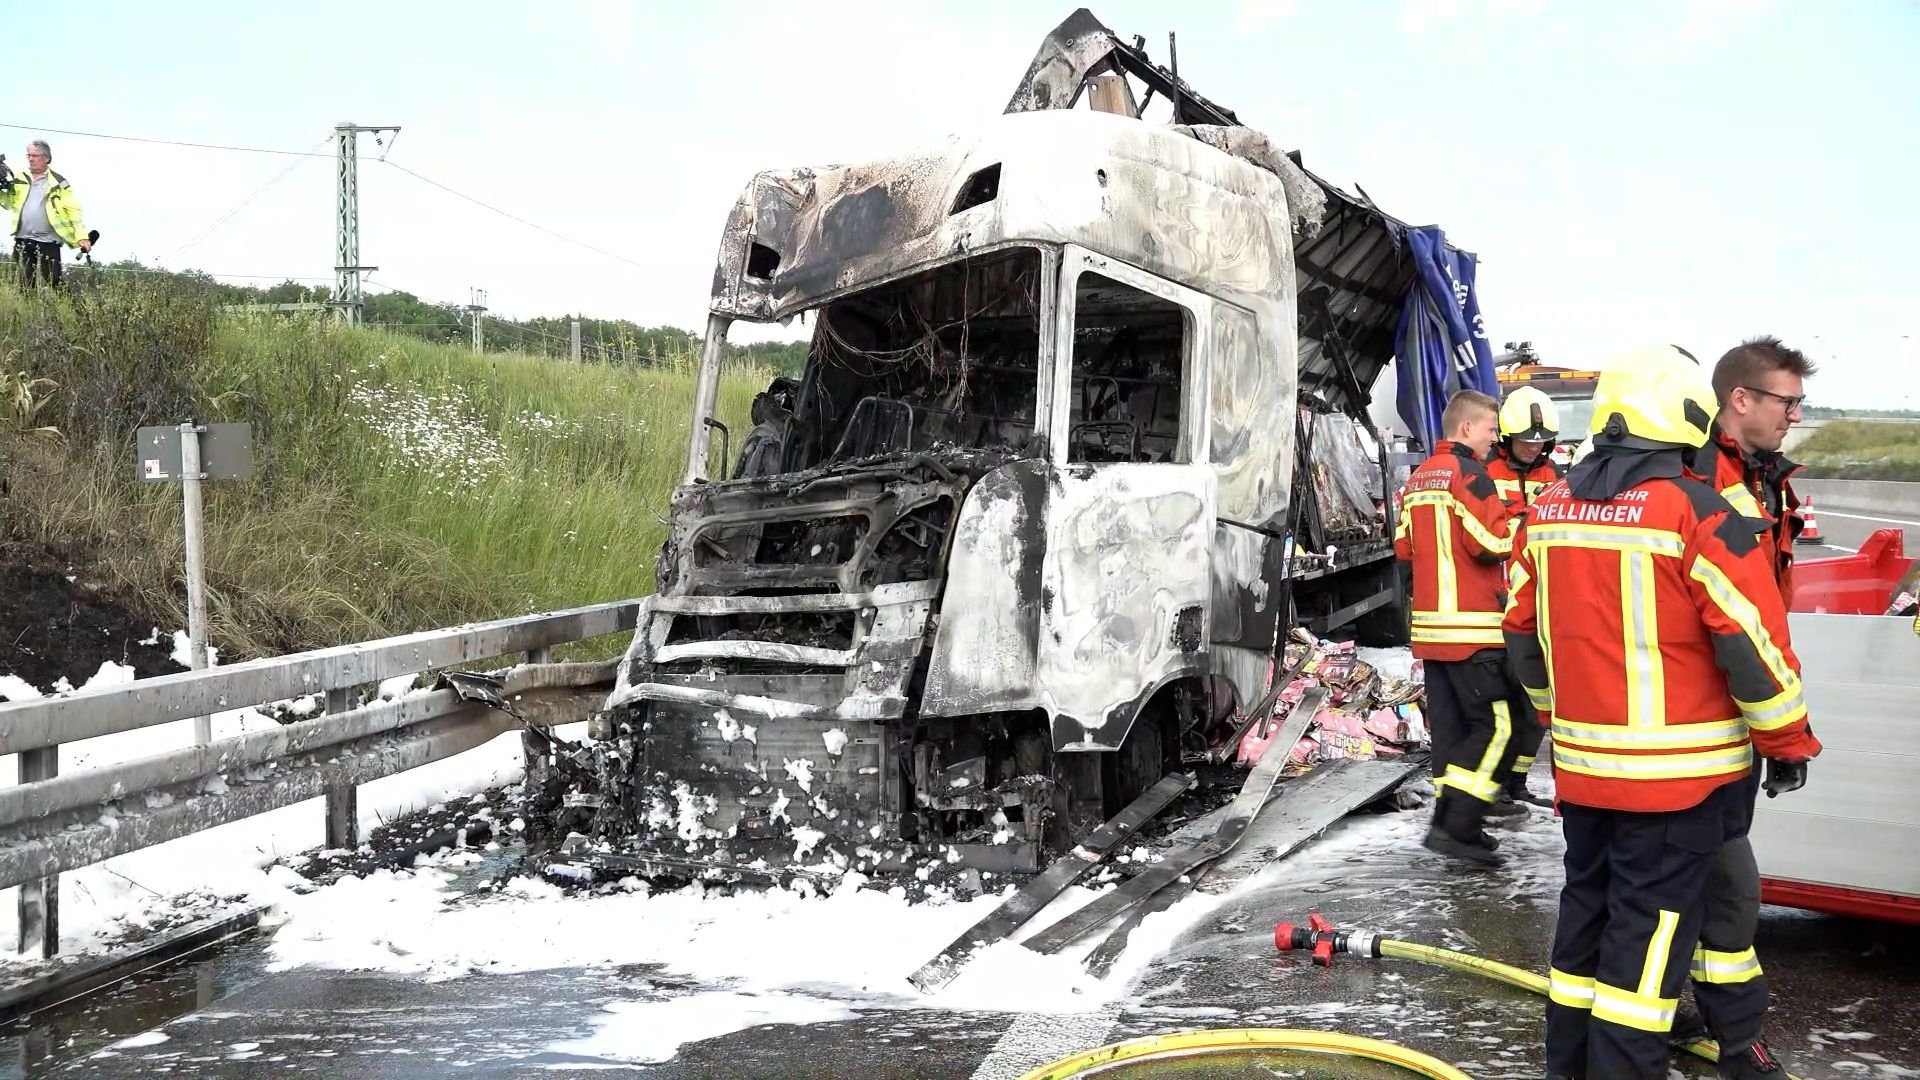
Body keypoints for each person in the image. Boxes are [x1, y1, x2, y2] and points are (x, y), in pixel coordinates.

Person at [1502, 344, 1821, 1080]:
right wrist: (1788, 742)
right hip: (1678, 787)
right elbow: (1752, 644)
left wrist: (1559, 718)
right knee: (1646, 958)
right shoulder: (1700, 512)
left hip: (1585, 776)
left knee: (1584, 929)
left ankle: (1567, 1068)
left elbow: (1522, 631)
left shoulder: (1546, 511)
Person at [1675, 336, 1819, 1078]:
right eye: (1787, 402)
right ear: (1740, 399)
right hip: (1694, 721)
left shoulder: (1763, 480)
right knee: (1725, 882)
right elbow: (1733, 622)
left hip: (1740, 714)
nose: (1795, 416)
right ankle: (1734, 1040)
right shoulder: (1696, 479)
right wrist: (1786, 735)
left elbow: (1766, 615)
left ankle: (1683, 1009)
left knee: (1710, 876)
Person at [1393, 388, 1524, 867]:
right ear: (1467, 428)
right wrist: (1522, 522)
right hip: (1473, 631)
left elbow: (1404, 550)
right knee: (1499, 726)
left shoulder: (1417, 480)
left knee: (1451, 732)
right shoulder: (1471, 476)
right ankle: (1459, 826)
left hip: (1432, 632)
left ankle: (1452, 823)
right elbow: (1491, 542)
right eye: (1491, 429)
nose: (1495, 439)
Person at [1484, 385, 1565, 809]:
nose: (1534, 447)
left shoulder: (1555, 476)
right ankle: (1495, 783)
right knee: (1500, 705)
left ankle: (1517, 782)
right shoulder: (1486, 472)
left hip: (1537, 599)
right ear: (1506, 437)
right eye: (1525, 440)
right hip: (1493, 601)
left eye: (1540, 441)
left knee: (1536, 703)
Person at [1, 140, 90, 288]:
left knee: (55, 281)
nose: (31, 159)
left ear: (47, 158)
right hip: (23, 239)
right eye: (29, 155)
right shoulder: (19, 179)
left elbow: (73, 210)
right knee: (24, 284)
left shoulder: (59, 182)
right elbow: (8, 203)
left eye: (35, 156)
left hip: (48, 241)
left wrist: (81, 236)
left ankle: (69, 304)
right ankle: (28, 304)